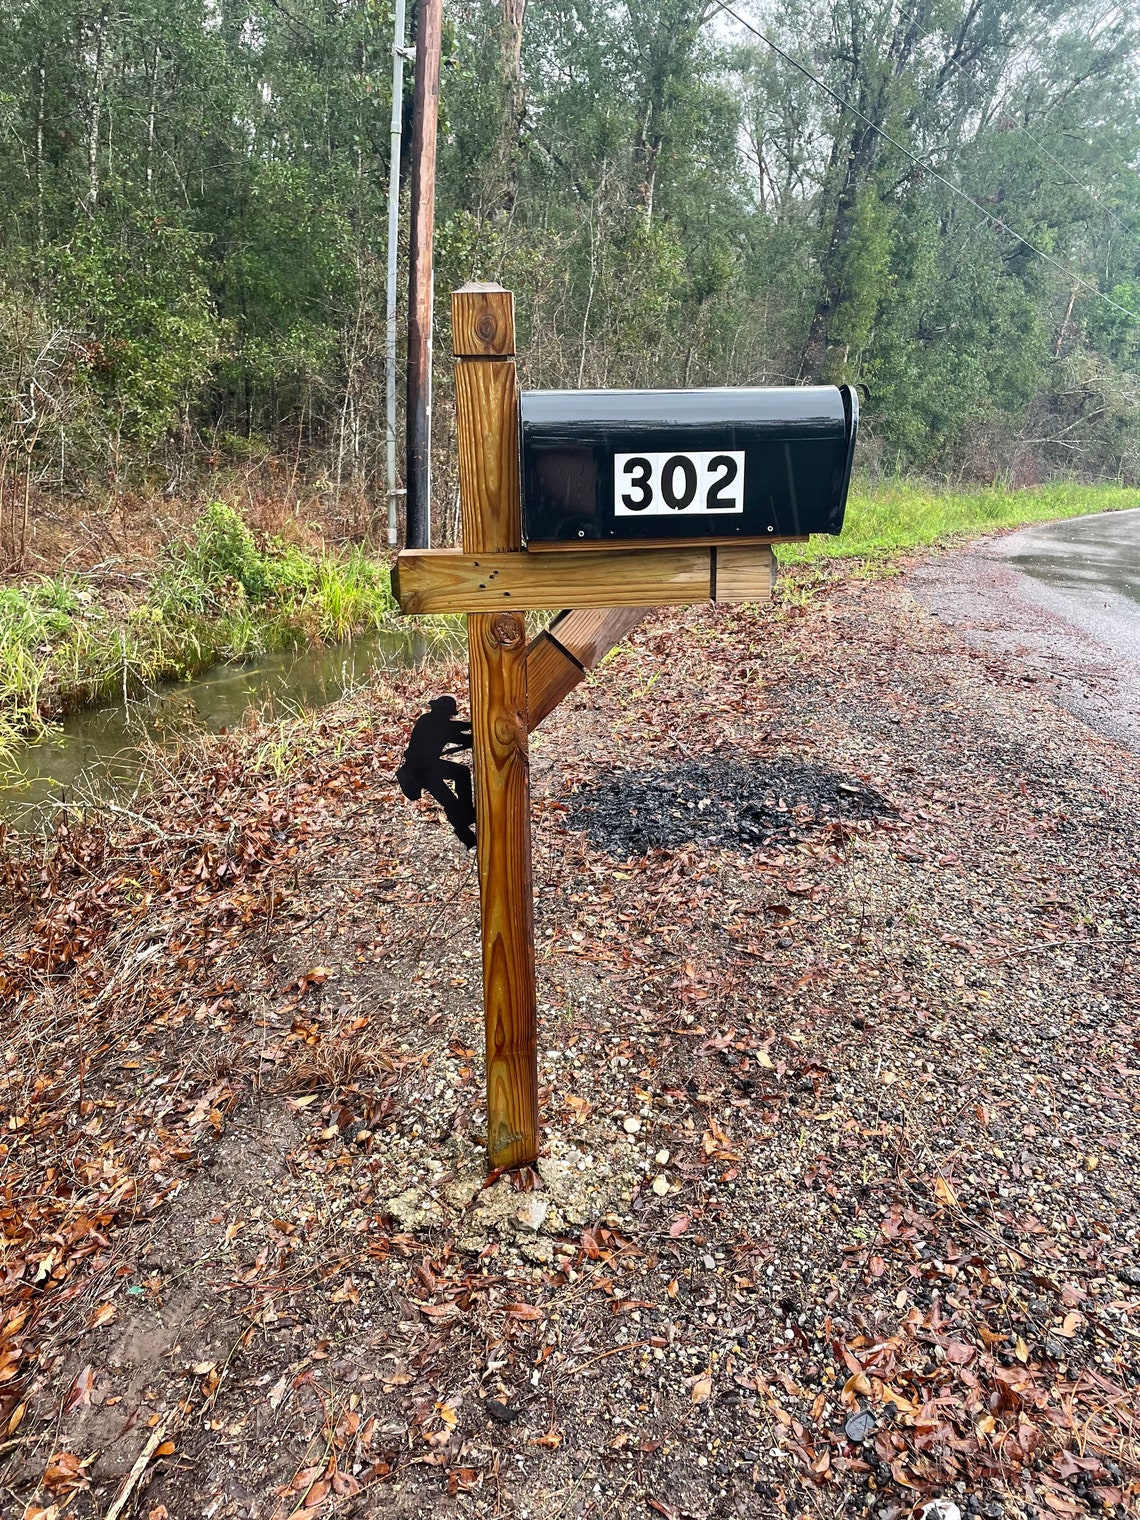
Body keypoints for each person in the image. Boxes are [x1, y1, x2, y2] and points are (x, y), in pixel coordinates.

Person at [396, 696, 476, 848]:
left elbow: (456, 726)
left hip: (426, 767)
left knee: (453, 794)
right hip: (423, 771)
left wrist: (471, 725)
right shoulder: (438, 725)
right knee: (458, 781)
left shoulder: (427, 720)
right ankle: (466, 821)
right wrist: (474, 729)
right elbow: (460, 734)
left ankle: (467, 827)